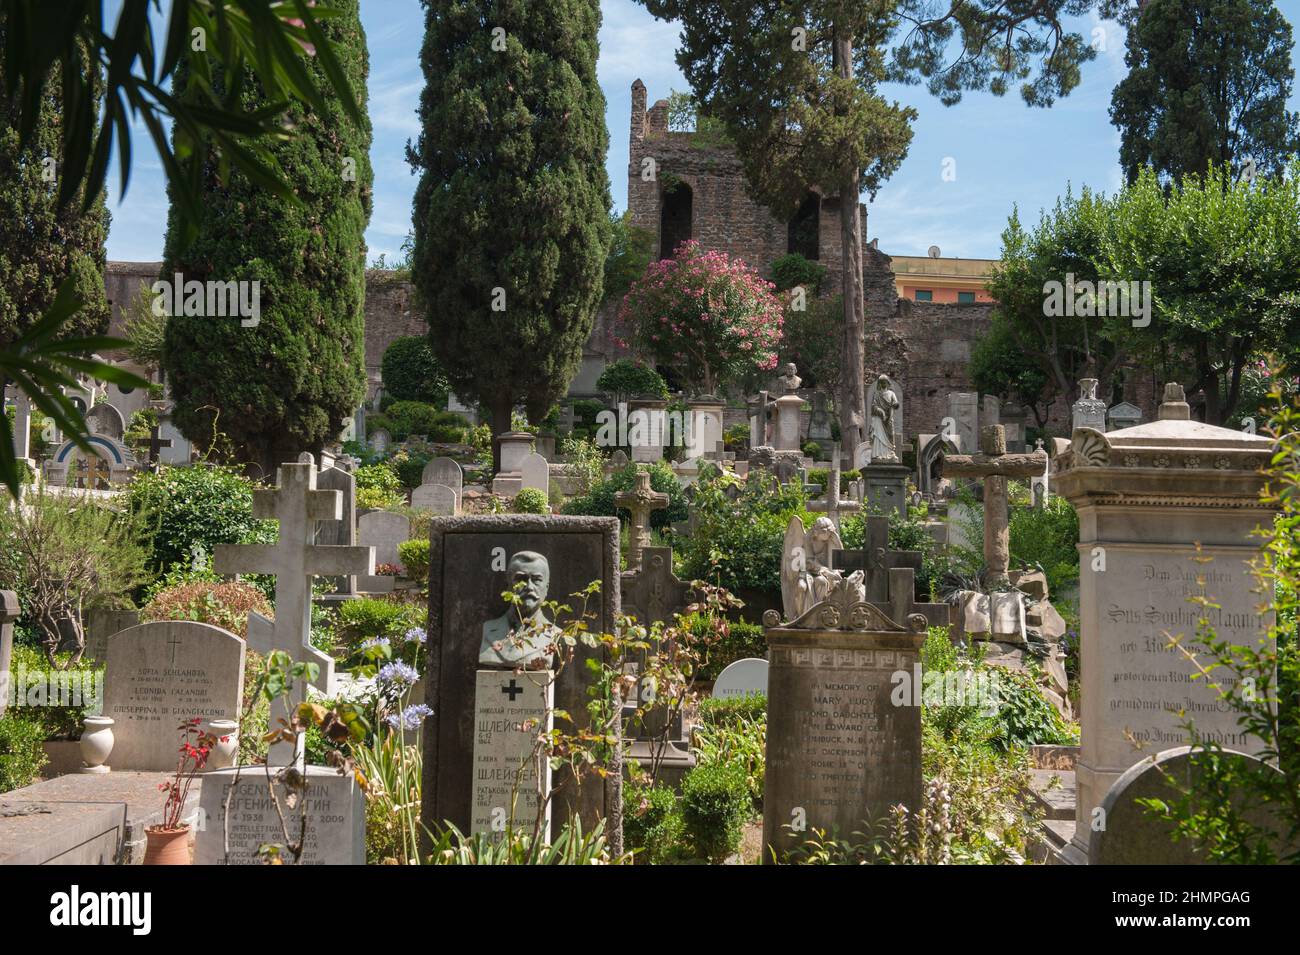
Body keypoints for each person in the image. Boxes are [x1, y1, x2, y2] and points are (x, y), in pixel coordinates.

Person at [479, 551, 560, 668]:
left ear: (546, 588)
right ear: (508, 585)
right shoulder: (488, 629)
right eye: (521, 579)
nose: (529, 587)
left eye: (537, 579)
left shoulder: (555, 634)